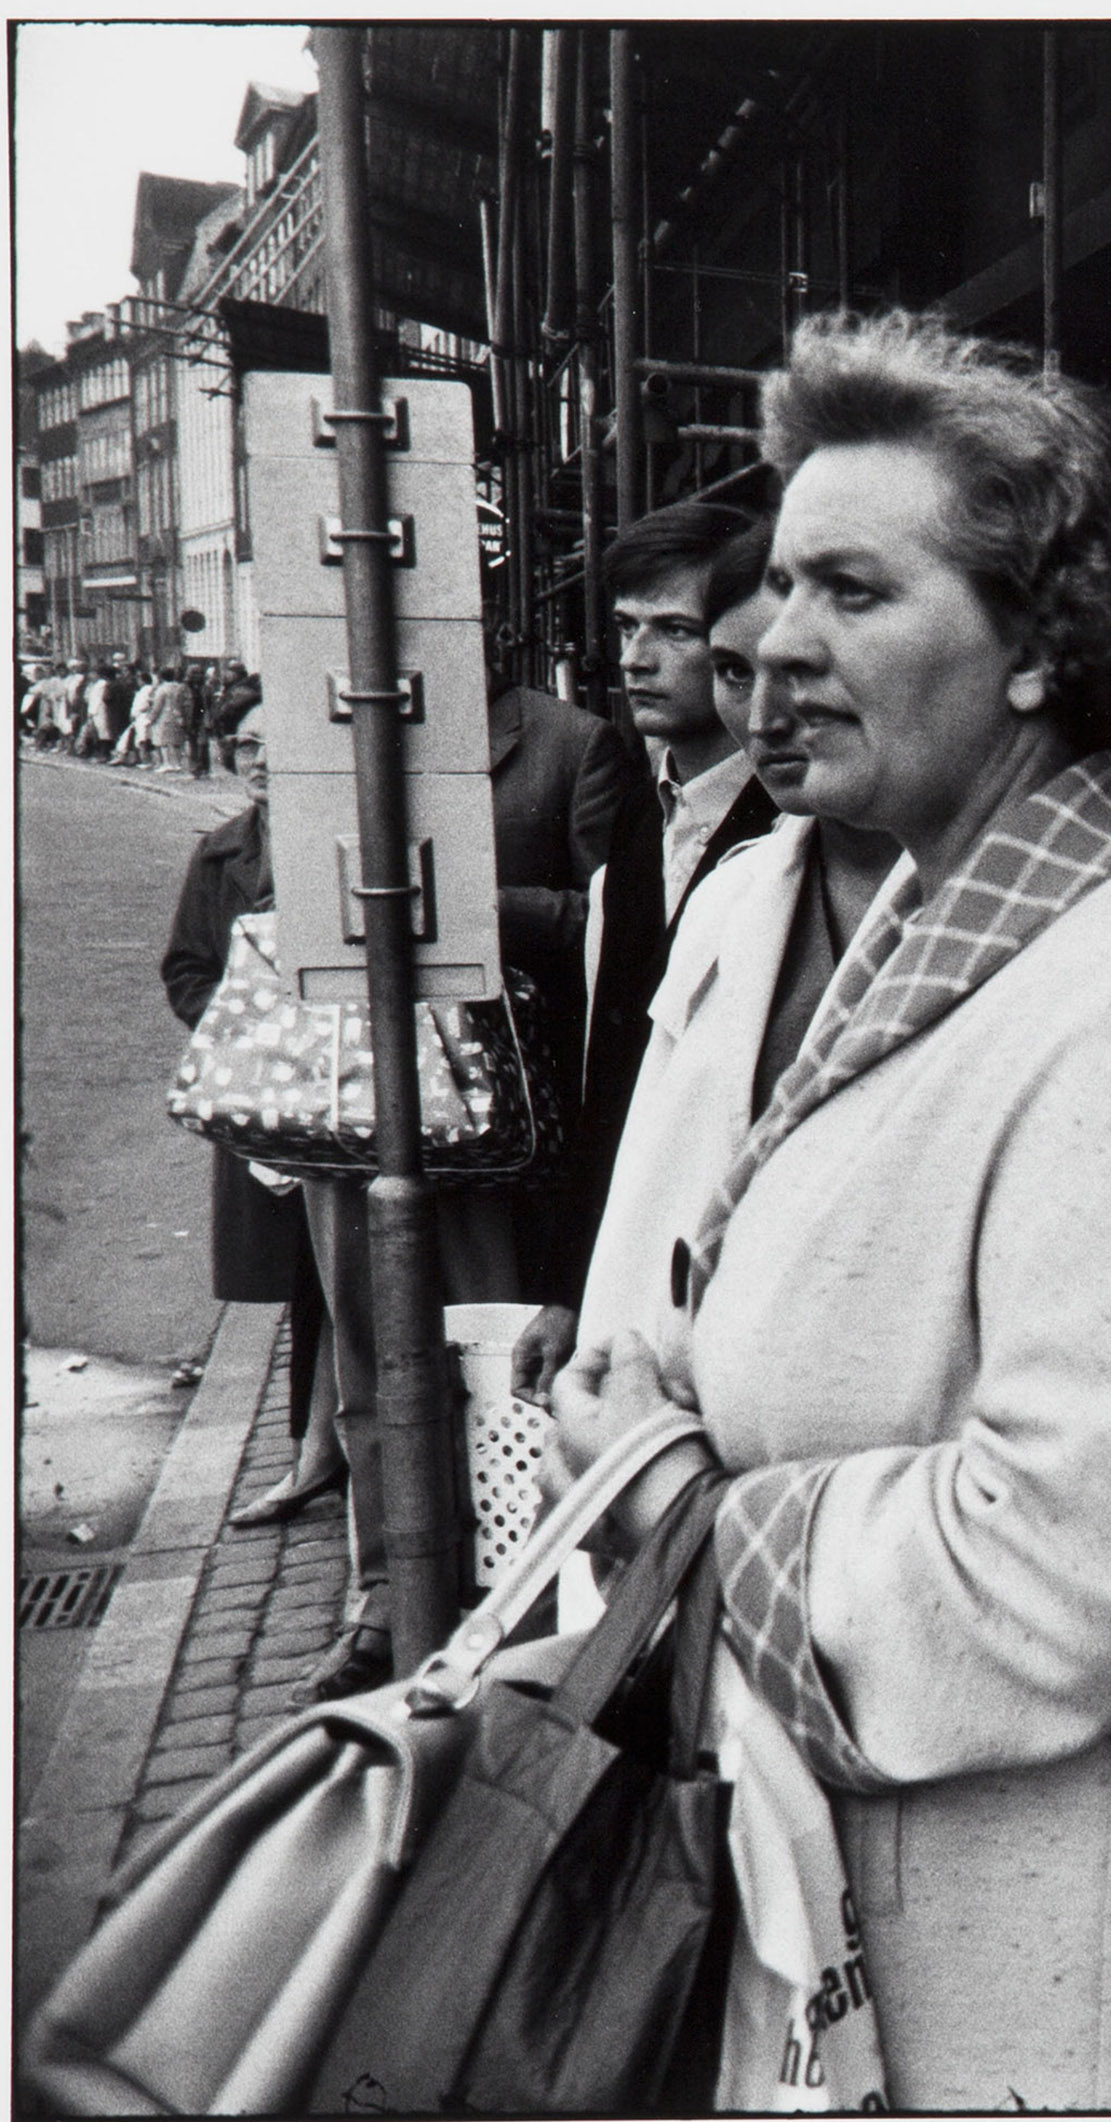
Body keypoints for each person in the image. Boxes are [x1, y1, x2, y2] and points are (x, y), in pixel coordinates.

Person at [541, 309, 1111, 2109]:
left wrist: (680, 1507)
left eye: (854, 590)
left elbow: (1072, 1563)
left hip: (1064, 2003)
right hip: (909, 1951)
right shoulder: (949, 923)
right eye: (779, 587)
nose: (775, 644)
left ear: (1034, 650)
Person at [289, 674, 631, 1702]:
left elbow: (612, 926)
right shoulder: (327, 742)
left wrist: (475, 913)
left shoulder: (570, 745)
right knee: (369, 1363)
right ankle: (385, 1598)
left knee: (492, 1356)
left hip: (495, 1123)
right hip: (355, 1109)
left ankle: (507, 1590)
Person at [512, 501, 781, 1392]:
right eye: (627, 627)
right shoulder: (639, 813)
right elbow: (611, 1078)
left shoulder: (799, 826)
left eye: (674, 629)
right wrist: (569, 1289)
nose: (635, 657)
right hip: (636, 1279)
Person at [160, 724, 340, 1509]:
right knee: (303, 1278)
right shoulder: (219, 854)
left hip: (341, 1089)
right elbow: (187, 969)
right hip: (263, 1091)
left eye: (275, 738)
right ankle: (314, 1451)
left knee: (336, 1275)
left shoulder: (343, 834)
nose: (261, 757)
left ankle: (324, 1452)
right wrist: (245, 1025)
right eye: (242, 744)